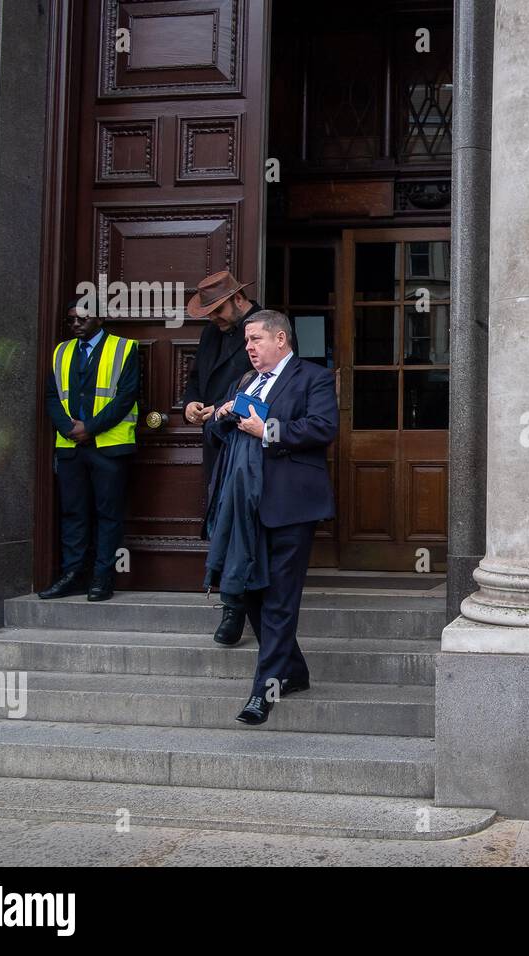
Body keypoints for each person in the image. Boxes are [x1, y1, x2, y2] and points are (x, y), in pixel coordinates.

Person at [206, 310, 338, 725]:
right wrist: (221, 414)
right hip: (244, 505)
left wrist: (268, 431)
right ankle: (293, 670)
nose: (249, 348)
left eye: (255, 340)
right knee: (249, 593)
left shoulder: (312, 376)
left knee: (280, 597)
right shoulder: (245, 381)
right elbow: (216, 436)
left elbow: (322, 428)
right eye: (246, 342)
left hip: (290, 505)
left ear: (281, 339)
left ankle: (265, 691)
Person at [38, 298, 139, 602]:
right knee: (73, 513)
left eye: (82, 319)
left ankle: (102, 578)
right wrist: (69, 429)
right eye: (71, 320)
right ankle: (72, 574)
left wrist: (89, 428)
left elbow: (126, 397)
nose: (76, 325)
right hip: (70, 447)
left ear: (100, 318)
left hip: (108, 446)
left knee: (107, 514)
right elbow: (52, 395)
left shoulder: (124, 348)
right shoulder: (61, 351)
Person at [182, 271, 259, 488]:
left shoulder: (268, 326)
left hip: (244, 437)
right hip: (213, 436)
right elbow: (197, 376)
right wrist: (190, 403)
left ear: (238, 299)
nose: (213, 317)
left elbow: (270, 383)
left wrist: (219, 407)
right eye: (209, 312)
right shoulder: (210, 330)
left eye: (218, 310)